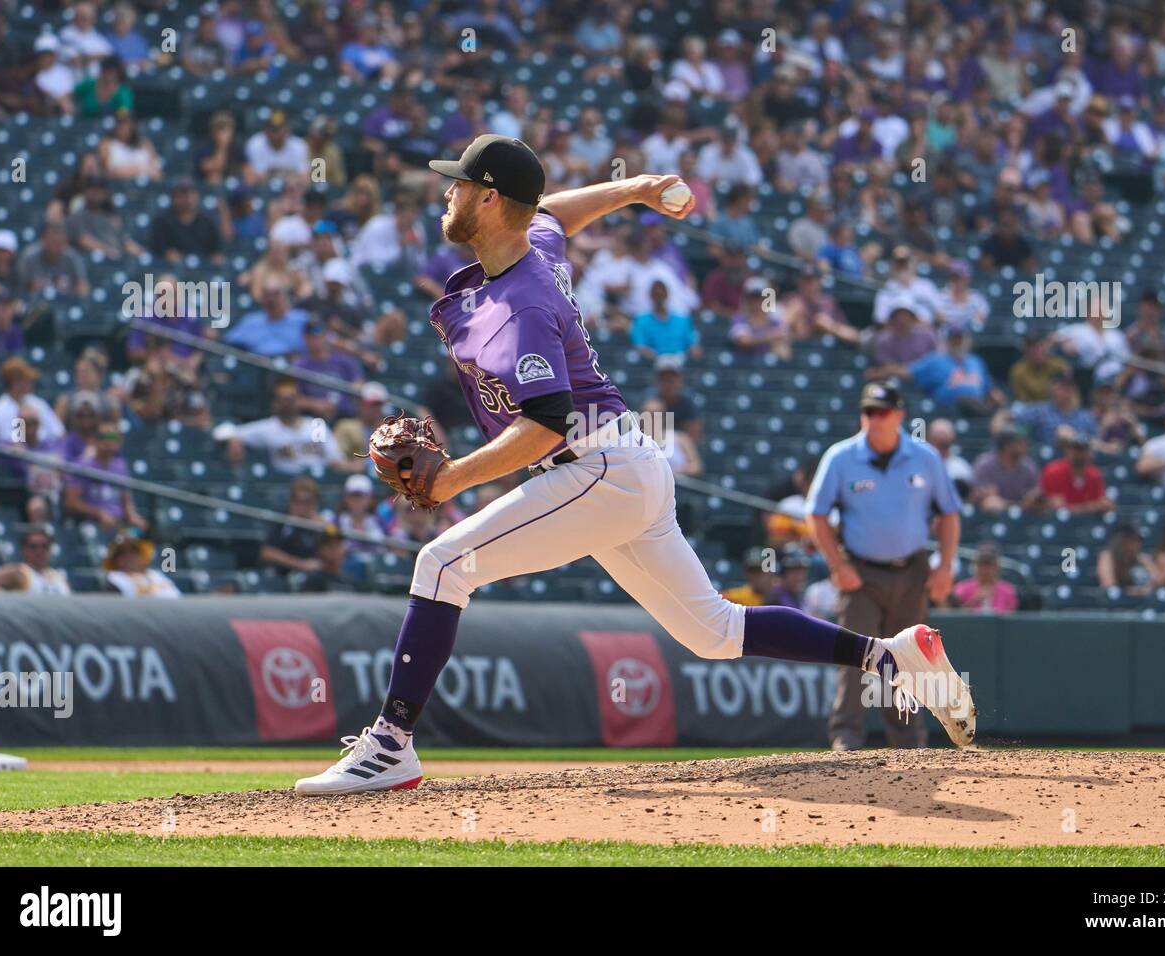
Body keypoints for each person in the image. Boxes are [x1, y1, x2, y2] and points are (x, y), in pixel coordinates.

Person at [296, 136, 974, 794]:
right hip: (620, 464)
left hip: (595, 466)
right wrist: (639, 189)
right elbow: (558, 211)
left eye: (460, 183)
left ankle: (390, 744)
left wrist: (449, 481)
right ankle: (894, 654)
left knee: (441, 565)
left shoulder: (525, 305)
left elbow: (545, 426)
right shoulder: (532, 242)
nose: (447, 192)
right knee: (714, 632)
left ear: (492, 199)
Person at [804, 380, 965, 752]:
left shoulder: (925, 457)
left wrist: (945, 568)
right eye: (868, 412)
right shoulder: (841, 457)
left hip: (912, 571)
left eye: (882, 412)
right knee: (855, 656)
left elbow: (950, 514)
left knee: (910, 661)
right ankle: (846, 739)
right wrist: (837, 563)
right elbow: (816, 515)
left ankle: (910, 744)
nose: (874, 419)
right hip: (861, 574)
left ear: (899, 415)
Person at [220, 378, 356, 475]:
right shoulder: (268, 427)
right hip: (285, 483)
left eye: (291, 399)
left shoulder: (316, 426)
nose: (287, 403)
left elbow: (336, 460)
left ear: (299, 400)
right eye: (282, 399)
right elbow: (227, 432)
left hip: (317, 483)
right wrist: (234, 440)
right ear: (275, 403)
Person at [0, 526, 71, 595]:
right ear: (24, 549)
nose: (39, 551)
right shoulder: (18, 572)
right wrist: (8, 598)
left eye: (44, 546)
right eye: (33, 547)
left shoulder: (59, 577)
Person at [1040, 431, 1113, 513]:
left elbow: (1103, 504)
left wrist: (1073, 508)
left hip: (1087, 523)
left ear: (1090, 453)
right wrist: (1091, 506)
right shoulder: (1052, 471)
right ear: (1068, 451)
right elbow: (1050, 505)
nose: (1079, 454)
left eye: (1083, 450)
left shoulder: (1095, 475)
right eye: (1076, 449)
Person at [103, 533, 181, 599]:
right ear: (115, 558)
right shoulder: (115, 578)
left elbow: (176, 596)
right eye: (122, 552)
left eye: (135, 551)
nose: (130, 556)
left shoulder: (155, 575)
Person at [950, 542, 1018, 613]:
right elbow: (954, 614)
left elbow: (1011, 616)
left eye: (989, 565)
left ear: (996, 567)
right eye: (981, 564)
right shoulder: (962, 588)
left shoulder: (1007, 590)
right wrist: (973, 601)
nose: (985, 569)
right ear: (975, 565)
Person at [1096, 525, 1158, 595]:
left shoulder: (1141, 558)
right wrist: (1135, 591)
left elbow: (1157, 582)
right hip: (1114, 602)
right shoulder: (1107, 556)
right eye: (1132, 541)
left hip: (1139, 601)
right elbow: (1109, 585)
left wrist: (1147, 563)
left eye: (1137, 541)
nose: (1136, 545)